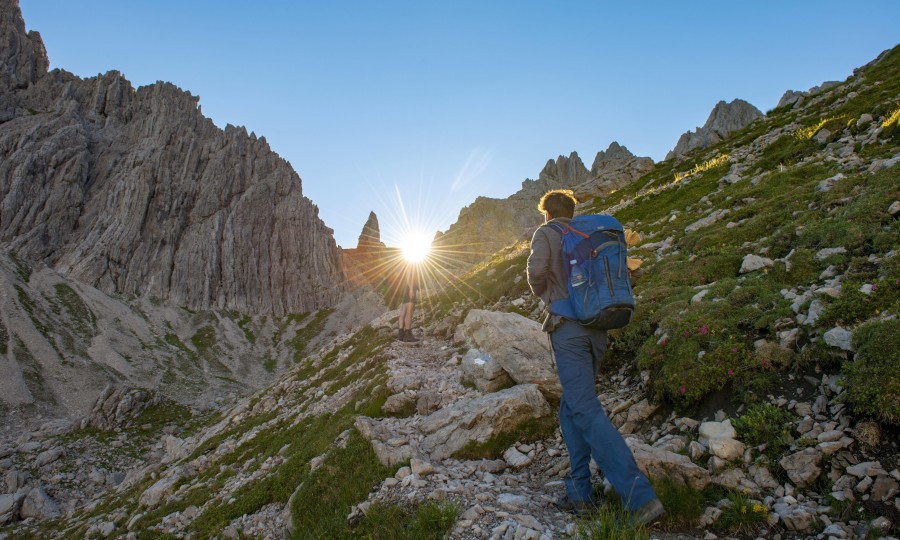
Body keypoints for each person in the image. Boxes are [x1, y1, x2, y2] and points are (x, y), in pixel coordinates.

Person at [526, 189, 665, 523]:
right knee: (572, 404)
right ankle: (579, 493)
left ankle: (640, 498)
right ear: (572, 212)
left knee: (584, 408)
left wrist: (548, 295)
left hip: (568, 329)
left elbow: (535, 272)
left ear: (547, 213)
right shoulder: (586, 234)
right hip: (598, 328)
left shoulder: (546, 232)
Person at [397, 264, 420, 343]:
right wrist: (411, 289)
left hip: (405, 289)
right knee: (409, 312)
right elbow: (408, 277)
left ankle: (401, 334)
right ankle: (408, 334)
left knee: (403, 311)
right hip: (410, 289)